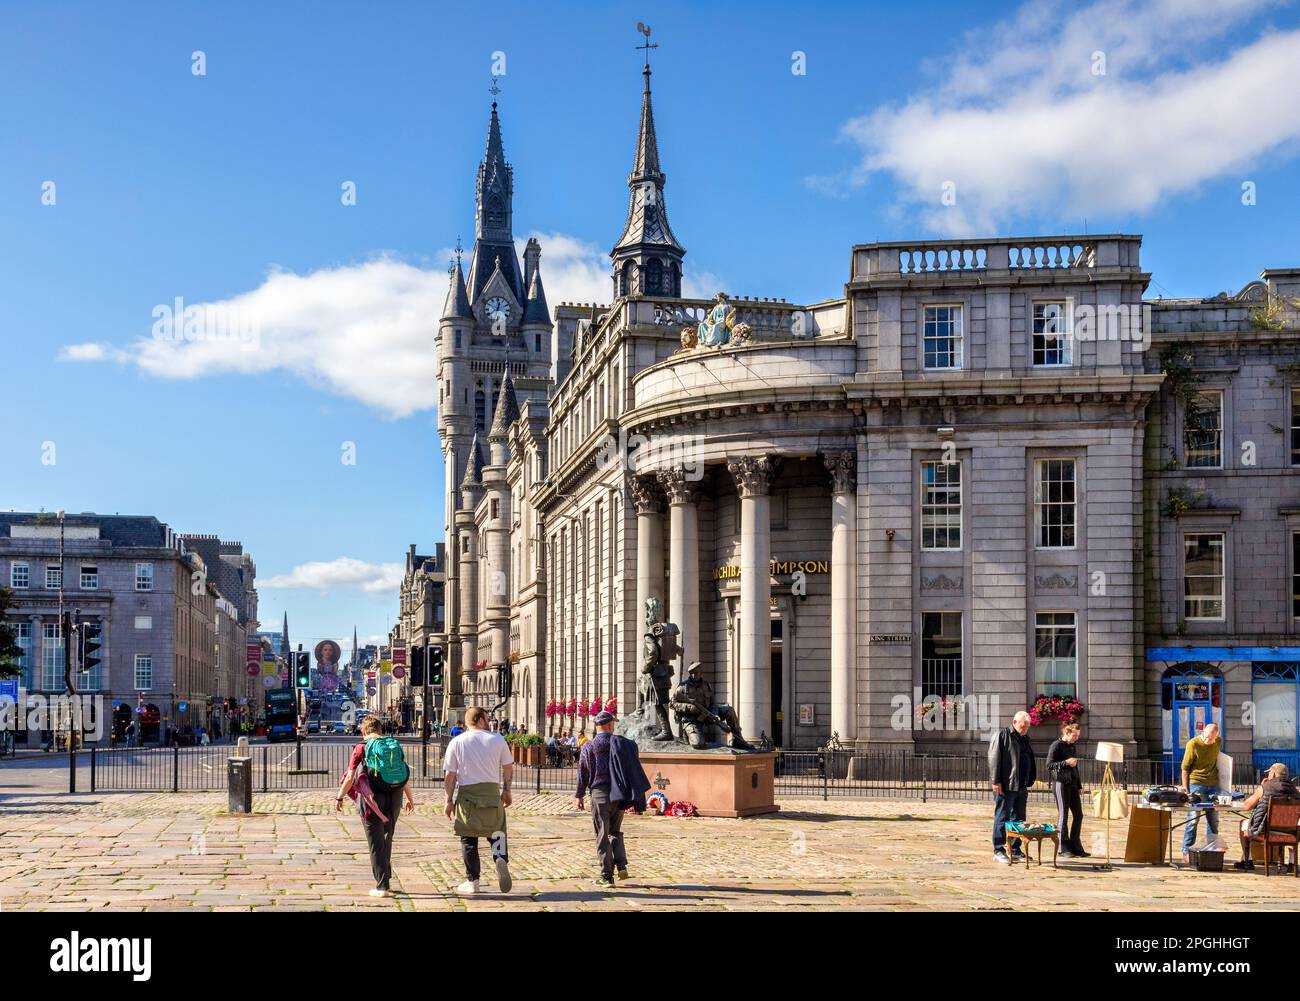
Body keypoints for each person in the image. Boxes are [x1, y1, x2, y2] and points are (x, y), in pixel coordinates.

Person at [336, 717, 414, 897]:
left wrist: (339, 797)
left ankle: (382, 886)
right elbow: (402, 773)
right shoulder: (393, 745)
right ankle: (385, 877)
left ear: (364, 732)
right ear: (381, 730)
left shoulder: (361, 747)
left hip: (372, 799)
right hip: (395, 796)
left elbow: (349, 777)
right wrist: (410, 799)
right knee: (387, 838)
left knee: (375, 842)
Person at [443, 706, 513, 895]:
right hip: (491, 793)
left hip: (467, 795)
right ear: (481, 719)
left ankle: (473, 880)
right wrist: (507, 790)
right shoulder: (497, 739)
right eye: (488, 718)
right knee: (497, 832)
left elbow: (450, 775)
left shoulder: (457, 742)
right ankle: (500, 858)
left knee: (468, 838)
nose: (489, 721)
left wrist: (448, 800)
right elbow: (508, 767)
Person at [574, 711, 649, 887]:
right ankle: (621, 865)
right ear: (609, 726)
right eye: (613, 724)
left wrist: (579, 795)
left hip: (599, 794)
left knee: (601, 833)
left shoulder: (589, 747)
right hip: (619, 794)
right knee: (615, 831)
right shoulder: (621, 744)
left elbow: (582, 772)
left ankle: (607, 876)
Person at [988, 710, 1036, 864]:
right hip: (1006, 785)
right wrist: (995, 781)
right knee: (1002, 817)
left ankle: (1015, 849)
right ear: (1014, 722)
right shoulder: (1002, 735)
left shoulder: (1025, 738)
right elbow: (994, 758)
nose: (1025, 729)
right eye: (1023, 726)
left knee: (1019, 819)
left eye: (1027, 727)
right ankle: (998, 849)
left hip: (1021, 785)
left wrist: (1030, 778)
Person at [1233, 762, 1300, 871]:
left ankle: (1247, 860)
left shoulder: (1265, 787)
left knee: (1243, 823)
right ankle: (1292, 864)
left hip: (1265, 831)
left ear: (1273, 774)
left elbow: (1247, 806)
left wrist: (1260, 788)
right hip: (1290, 833)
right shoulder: (1295, 791)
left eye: (1269, 773)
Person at [1179, 722, 1222, 860]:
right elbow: (1185, 768)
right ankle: (1186, 851)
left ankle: (1211, 850)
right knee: (1193, 819)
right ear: (1203, 733)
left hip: (1213, 784)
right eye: (1207, 737)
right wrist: (1186, 789)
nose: (1208, 741)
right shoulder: (1193, 744)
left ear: (1217, 736)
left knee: (1213, 820)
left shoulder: (1218, 742)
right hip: (1196, 783)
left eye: (1212, 739)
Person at [1047, 721, 1089, 858]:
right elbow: (1049, 765)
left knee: (1079, 815)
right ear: (1067, 733)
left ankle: (1075, 845)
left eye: (1077, 735)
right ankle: (1062, 847)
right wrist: (1066, 762)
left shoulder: (1072, 746)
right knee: (1063, 815)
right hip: (1060, 783)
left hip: (1072, 783)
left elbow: (1075, 767)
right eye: (1074, 735)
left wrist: (1079, 785)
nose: (1076, 738)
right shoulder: (1056, 745)